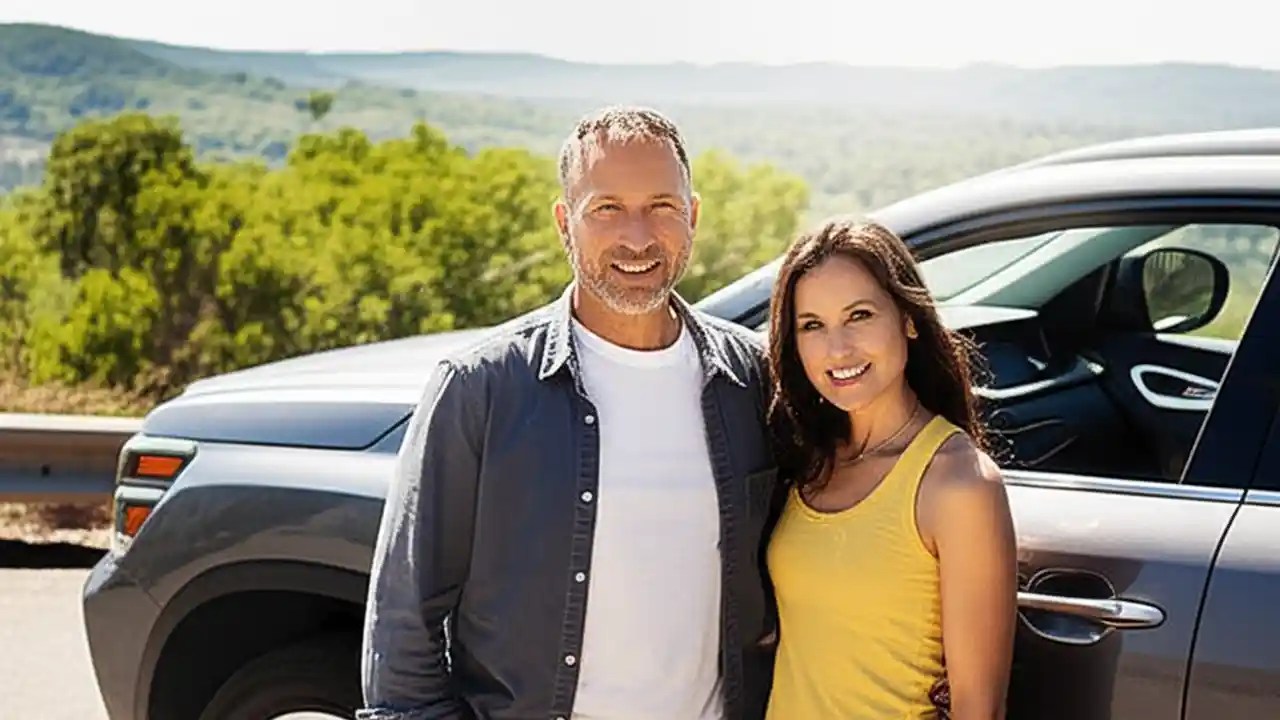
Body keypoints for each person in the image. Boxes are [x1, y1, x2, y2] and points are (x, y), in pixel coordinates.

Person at [358, 105, 780, 720]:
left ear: (692, 216)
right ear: (565, 223)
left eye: (661, 206)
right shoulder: (482, 389)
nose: (638, 237)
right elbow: (404, 620)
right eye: (606, 208)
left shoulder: (754, 379)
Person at [762, 218, 1018, 719]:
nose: (838, 349)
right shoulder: (807, 460)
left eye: (859, 316)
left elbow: (979, 709)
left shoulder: (958, 485)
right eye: (812, 325)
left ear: (908, 319)